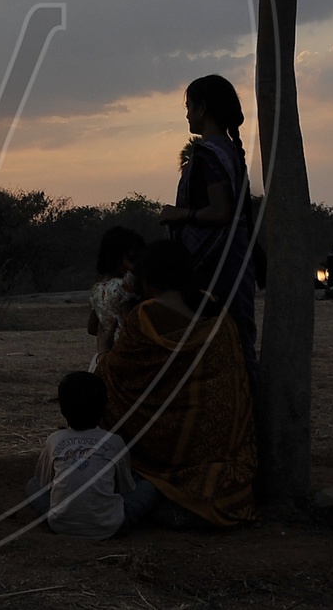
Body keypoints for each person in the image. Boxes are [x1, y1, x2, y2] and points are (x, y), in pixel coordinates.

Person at [97, 239, 258, 527]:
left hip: (164, 449)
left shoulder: (144, 319)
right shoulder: (217, 313)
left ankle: (161, 490)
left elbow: (115, 380)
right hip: (221, 462)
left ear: (148, 277)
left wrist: (102, 351)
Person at [158, 74, 259, 379]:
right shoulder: (229, 153)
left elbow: (220, 212)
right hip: (234, 257)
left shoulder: (209, 155)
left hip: (216, 262)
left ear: (202, 108)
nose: (187, 114)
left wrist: (180, 215)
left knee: (219, 336)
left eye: (189, 106)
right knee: (236, 336)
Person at [25, 371, 158, 539]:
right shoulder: (115, 442)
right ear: (105, 407)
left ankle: (67, 515)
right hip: (110, 527)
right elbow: (124, 488)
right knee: (147, 487)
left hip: (60, 525)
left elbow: (44, 482)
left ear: (62, 408)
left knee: (32, 485)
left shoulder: (55, 440)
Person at [86, 227, 143, 371]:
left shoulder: (97, 289)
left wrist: (105, 334)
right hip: (125, 352)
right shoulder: (124, 286)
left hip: (104, 351)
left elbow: (92, 327)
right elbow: (130, 324)